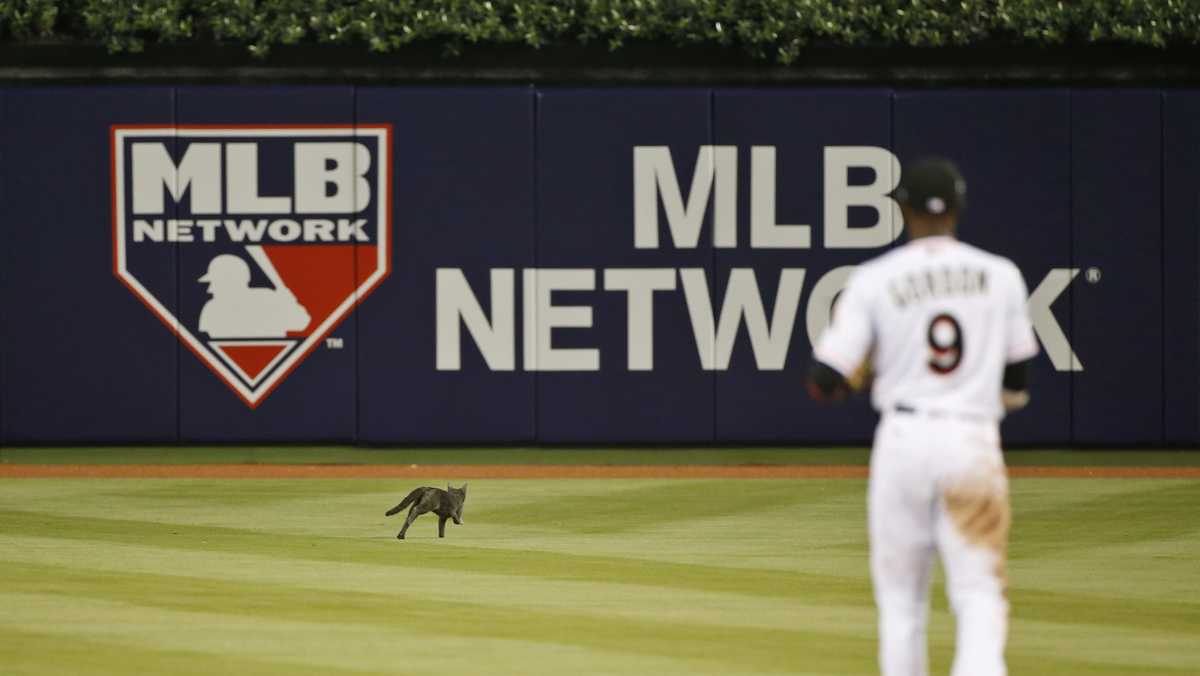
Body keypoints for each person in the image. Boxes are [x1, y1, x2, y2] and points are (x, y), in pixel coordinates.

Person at [807, 157, 1037, 676]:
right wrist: (985, 401)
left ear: (903, 209)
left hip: (904, 440)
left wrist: (857, 379)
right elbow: (1018, 379)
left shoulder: (874, 279)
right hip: (972, 440)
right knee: (978, 593)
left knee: (902, 603)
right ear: (958, 209)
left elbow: (824, 378)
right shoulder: (1001, 276)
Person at [198, 254, 310, 339]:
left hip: (269, 355)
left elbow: (301, 323)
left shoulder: (268, 299)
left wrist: (288, 304)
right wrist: (288, 303)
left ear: (232, 281)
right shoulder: (213, 308)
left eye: (216, 282)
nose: (210, 289)